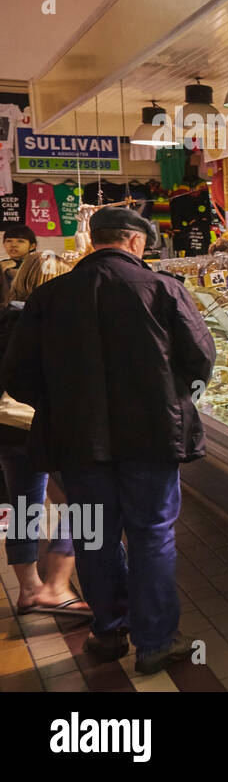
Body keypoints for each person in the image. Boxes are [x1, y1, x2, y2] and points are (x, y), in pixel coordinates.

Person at [2, 207, 216, 674]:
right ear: (136, 243)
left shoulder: (50, 296)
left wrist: (60, 403)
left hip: (78, 442)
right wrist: (172, 395)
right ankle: (157, 641)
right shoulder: (163, 289)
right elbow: (200, 359)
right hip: (153, 439)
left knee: (94, 534)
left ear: (95, 241)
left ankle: (108, 631)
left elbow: (16, 374)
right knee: (152, 534)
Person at [0, 251, 89, 617]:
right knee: (82, 502)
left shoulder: (5, 317)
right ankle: (55, 586)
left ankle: (28, 589)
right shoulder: (56, 321)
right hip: (47, 423)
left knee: (23, 506)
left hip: (7, 426)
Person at [0, 225, 37, 305]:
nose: (13, 245)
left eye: (20, 241)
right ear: (3, 244)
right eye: (9, 241)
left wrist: (17, 264)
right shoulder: (3, 264)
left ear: (32, 246)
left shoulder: (38, 265)